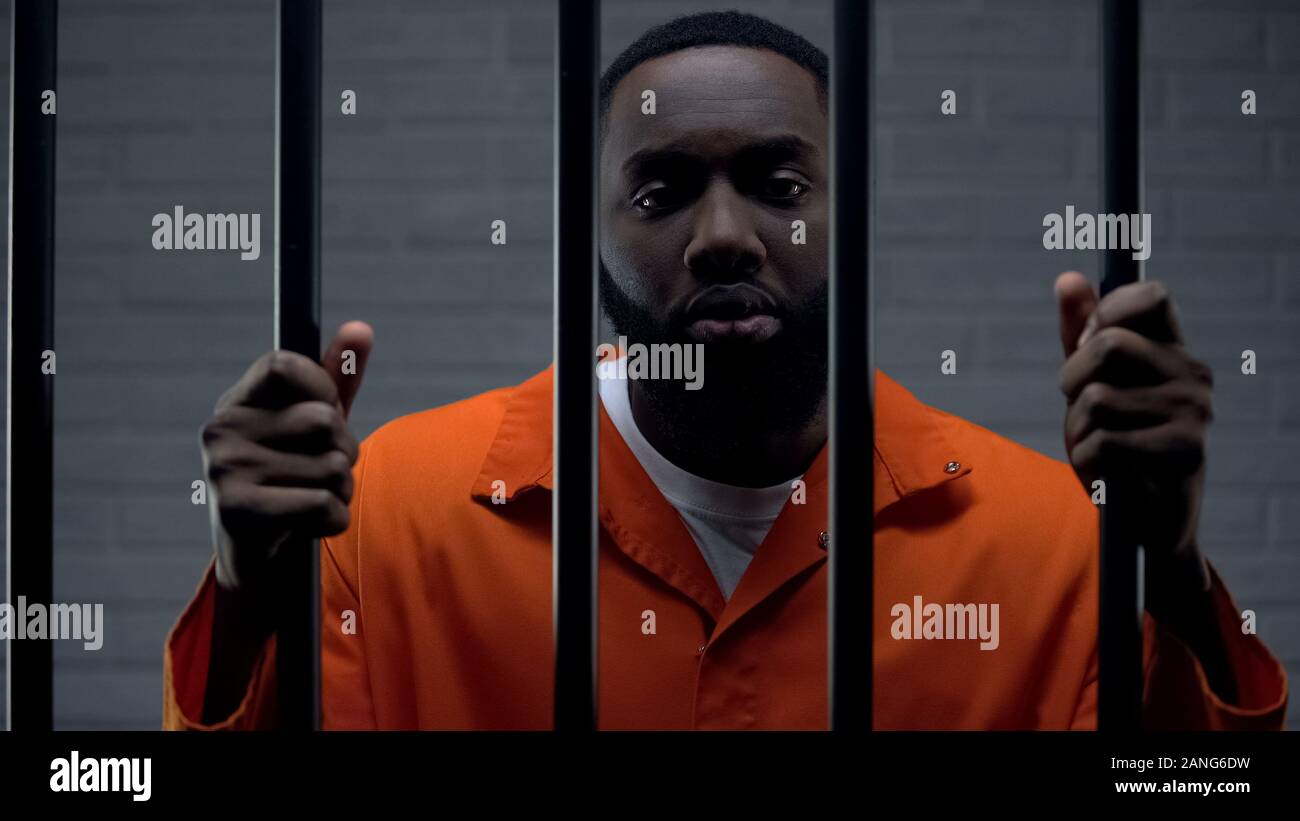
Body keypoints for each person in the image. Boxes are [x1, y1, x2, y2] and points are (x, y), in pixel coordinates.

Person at [163, 11, 1287, 730]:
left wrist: (1172, 574)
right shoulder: (388, 517)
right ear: (588, 239)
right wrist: (248, 584)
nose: (722, 236)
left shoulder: (1052, 548)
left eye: (779, 184)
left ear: (854, 216)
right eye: (658, 193)